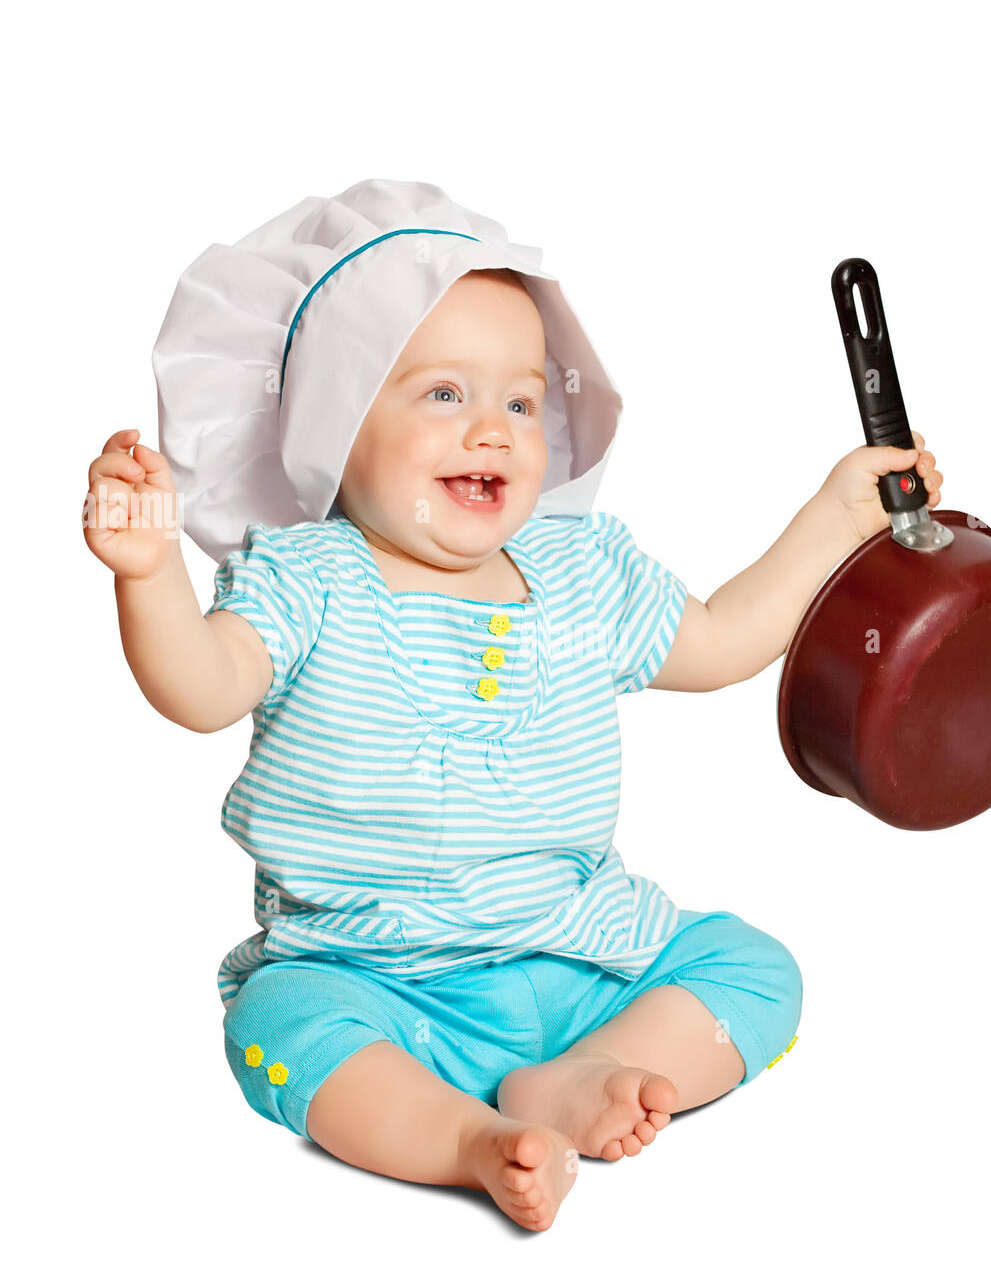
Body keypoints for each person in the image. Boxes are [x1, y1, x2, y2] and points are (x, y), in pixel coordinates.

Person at [82, 181, 942, 1232]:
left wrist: (837, 513)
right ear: (336, 424)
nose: (493, 428)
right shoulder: (304, 578)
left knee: (760, 974)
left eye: (524, 401)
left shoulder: (578, 570)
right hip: (373, 980)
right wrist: (146, 574)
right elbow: (200, 688)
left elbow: (720, 638)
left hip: (583, 960)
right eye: (445, 394)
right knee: (276, 1025)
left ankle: (579, 1079)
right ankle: (466, 1140)